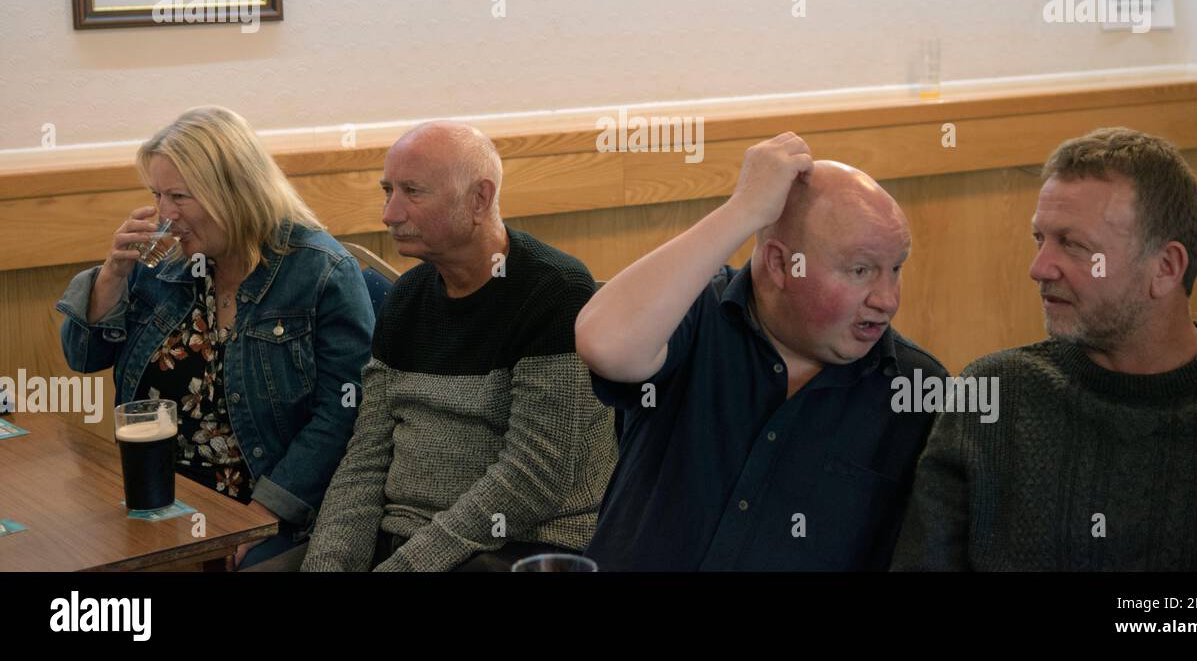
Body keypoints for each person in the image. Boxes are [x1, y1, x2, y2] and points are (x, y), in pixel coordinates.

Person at [891, 127, 1197, 571]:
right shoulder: (992, 397)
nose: (1039, 267)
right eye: (1039, 239)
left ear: (1165, 267)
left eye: (1073, 245)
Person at [577, 132, 945, 570]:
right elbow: (605, 344)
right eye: (860, 270)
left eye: (896, 268)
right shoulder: (693, 315)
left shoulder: (916, 388)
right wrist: (744, 209)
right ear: (779, 264)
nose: (887, 299)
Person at [56, 106, 374, 570]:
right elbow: (82, 357)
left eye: (180, 196)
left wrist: (267, 512)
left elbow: (344, 412)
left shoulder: (319, 271)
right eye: (157, 194)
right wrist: (112, 275)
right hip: (160, 496)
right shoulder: (166, 263)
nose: (165, 214)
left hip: (272, 501)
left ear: (235, 192)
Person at [298, 122, 616, 572]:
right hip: (403, 539)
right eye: (388, 190)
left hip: (517, 545)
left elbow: (533, 478)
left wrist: (406, 567)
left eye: (412, 191)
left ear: (479, 200)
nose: (389, 213)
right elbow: (364, 461)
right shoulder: (406, 298)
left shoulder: (554, 291)